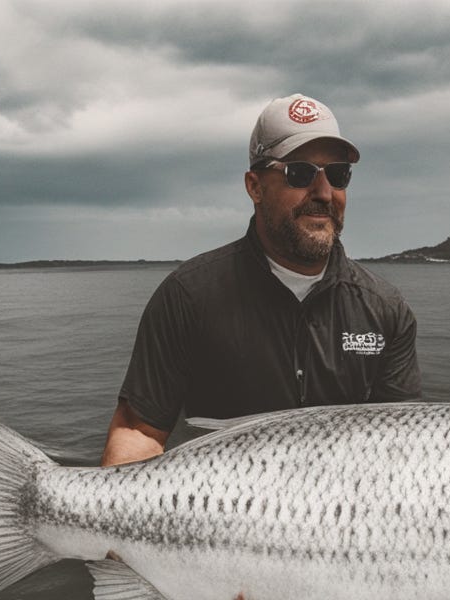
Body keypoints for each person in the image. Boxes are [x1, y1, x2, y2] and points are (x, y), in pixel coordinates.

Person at [101, 93, 422, 467]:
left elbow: (400, 446)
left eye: (337, 174)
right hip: (214, 502)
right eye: (300, 173)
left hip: (341, 503)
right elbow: (138, 431)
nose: (323, 193)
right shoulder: (188, 297)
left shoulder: (384, 309)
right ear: (255, 186)